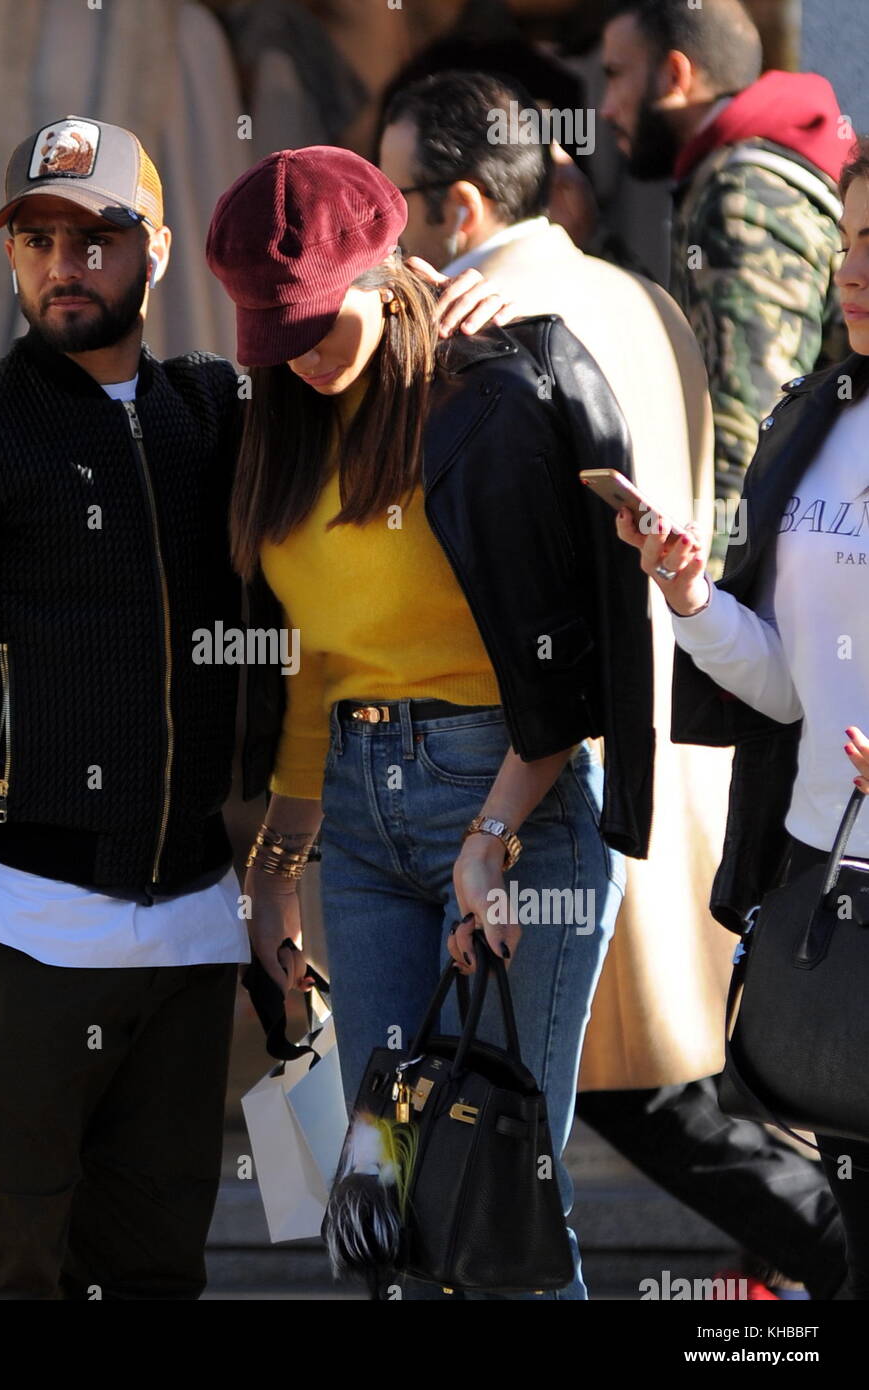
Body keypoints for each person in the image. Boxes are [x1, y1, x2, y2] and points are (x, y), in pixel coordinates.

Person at [0, 113, 505, 1300]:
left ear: (153, 251)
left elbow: (348, 358)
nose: (64, 264)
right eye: (37, 238)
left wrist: (433, 299)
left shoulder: (223, 410)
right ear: (10, 257)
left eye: (96, 236)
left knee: (153, 1274)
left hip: (196, 931)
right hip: (26, 924)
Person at [379, 68, 849, 1300]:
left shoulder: (475, 323)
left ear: (459, 206)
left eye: (394, 201)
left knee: (602, 1104)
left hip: (536, 765)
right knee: (632, 1096)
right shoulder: (639, 293)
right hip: (675, 749)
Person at [206, 145, 655, 1300]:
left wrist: (491, 838)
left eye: (315, 326)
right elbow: (314, 674)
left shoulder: (485, 401)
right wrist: (276, 863)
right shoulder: (283, 425)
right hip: (357, 825)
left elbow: (559, 671)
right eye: (272, 337)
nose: (298, 359)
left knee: (496, 1209)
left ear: (387, 272)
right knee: (384, 1212)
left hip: (508, 797)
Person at [616, 137, 869, 1301]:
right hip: (826, 881)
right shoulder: (819, 420)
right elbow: (787, 687)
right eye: (851, 241)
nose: (854, 270)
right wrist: (691, 594)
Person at [600, 0, 855, 575]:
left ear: (674, 75)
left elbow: (749, 427)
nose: (604, 107)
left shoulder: (742, 193)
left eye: (616, 75)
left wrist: (711, 613)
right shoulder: (742, 169)